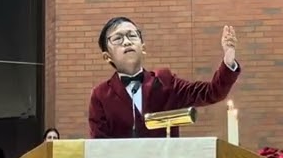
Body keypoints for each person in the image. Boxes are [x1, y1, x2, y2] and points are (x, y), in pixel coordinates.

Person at [87, 17, 240, 138]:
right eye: (118, 38)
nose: (127, 41)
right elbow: (99, 145)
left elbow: (212, 92)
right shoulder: (100, 95)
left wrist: (228, 61)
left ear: (143, 47)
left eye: (132, 35)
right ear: (107, 56)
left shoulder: (165, 81)